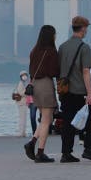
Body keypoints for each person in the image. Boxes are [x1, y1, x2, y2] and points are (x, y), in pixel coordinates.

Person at [57, 16, 91, 162]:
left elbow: (59, 70)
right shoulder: (84, 47)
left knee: (67, 122)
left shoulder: (62, 47)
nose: (87, 30)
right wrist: (89, 93)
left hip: (66, 92)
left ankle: (66, 153)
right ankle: (88, 149)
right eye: (86, 27)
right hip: (81, 92)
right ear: (83, 28)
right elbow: (86, 71)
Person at [23, 25, 61, 163]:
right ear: (50, 36)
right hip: (45, 84)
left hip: (35, 86)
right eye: (55, 34)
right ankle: (40, 153)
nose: (55, 36)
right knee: (46, 121)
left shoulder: (34, 50)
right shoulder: (51, 51)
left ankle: (32, 142)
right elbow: (54, 72)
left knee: (46, 119)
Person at [13, 70, 29, 137]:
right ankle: (21, 132)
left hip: (24, 103)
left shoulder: (24, 83)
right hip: (21, 103)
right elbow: (21, 93)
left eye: (25, 75)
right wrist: (27, 92)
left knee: (23, 118)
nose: (24, 76)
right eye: (23, 75)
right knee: (22, 118)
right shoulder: (21, 83)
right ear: (21, 76)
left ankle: (23, 132)